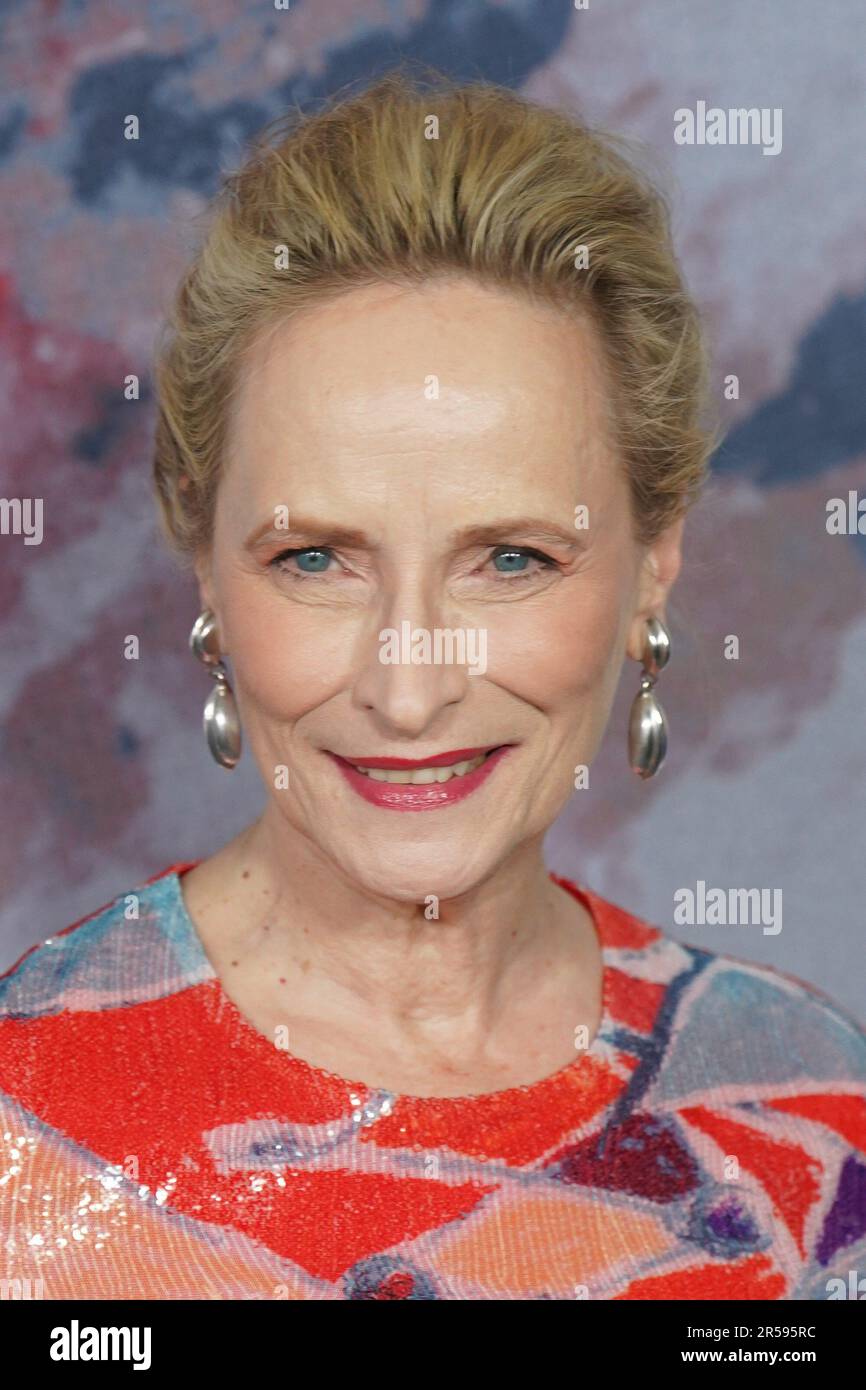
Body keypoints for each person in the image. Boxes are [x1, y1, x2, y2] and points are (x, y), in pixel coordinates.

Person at [1, 71, 863, 1302]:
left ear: (652, 560)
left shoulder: (808, 1106)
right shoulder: (18, 1134)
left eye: (510, 558)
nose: (408, 692)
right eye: (314, 560)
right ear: (201, 557)